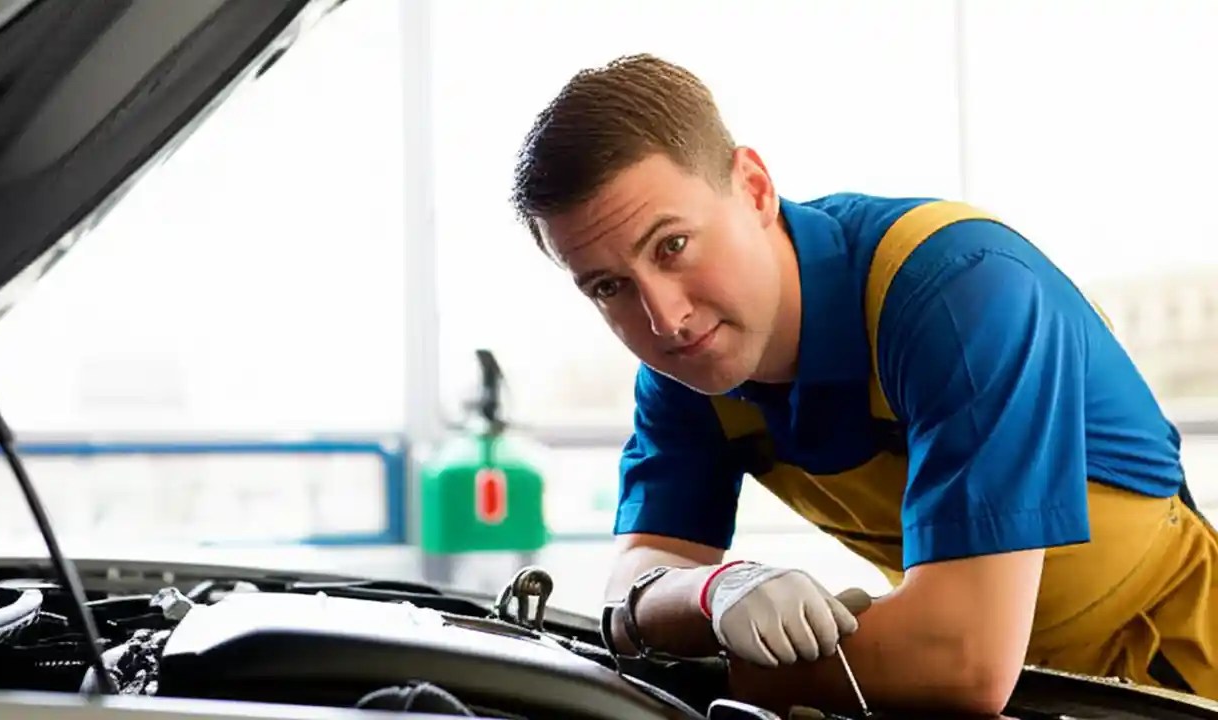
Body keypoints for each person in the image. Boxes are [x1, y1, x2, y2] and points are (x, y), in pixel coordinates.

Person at [508, 53, 1218, 716]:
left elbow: (959, 661)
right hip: (1023, 694)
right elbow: (632, 587)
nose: (663, 317)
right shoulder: (690, 363)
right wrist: (713, 590)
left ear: (754, 188)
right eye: (608, 286)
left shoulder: (961, 291)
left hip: (1180, 677)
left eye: (673, 246)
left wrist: (698, 665)